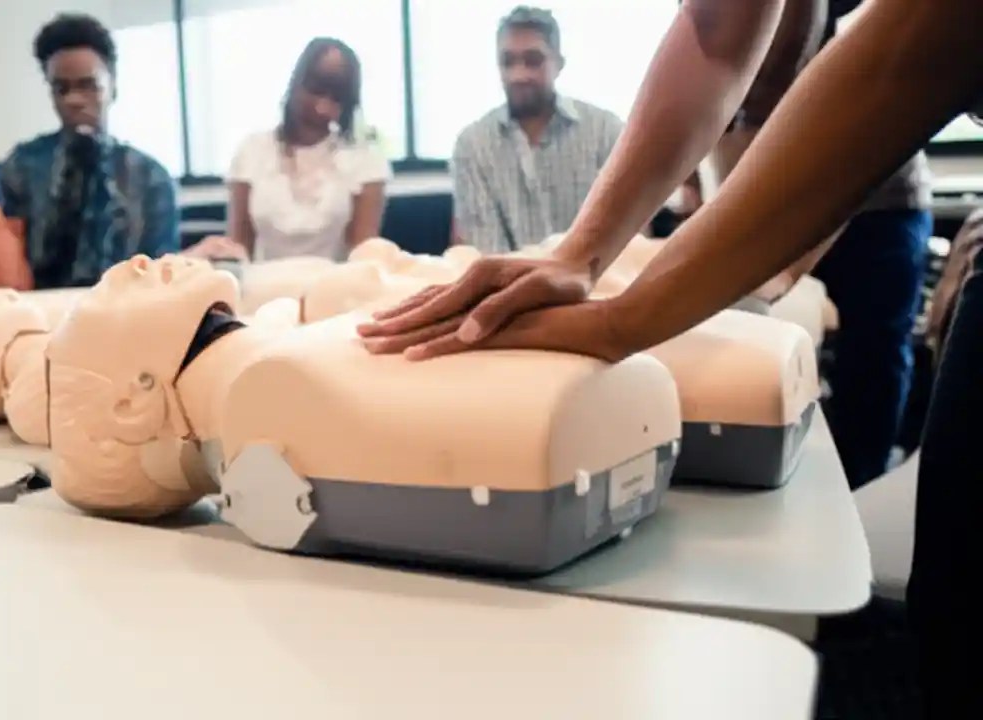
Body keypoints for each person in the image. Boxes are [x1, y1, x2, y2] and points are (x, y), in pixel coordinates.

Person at [359, 0, 981, 714]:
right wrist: (578, 258)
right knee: (955, 593)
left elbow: (918, 47)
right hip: (814, 148)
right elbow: (716, 37)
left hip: (873, 162)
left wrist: (632, 319)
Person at [693, 0, 936, 490]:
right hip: (779, 185)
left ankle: (858, 484)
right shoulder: (712, 43)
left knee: (876, 351)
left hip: (879, 196)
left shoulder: (852, 36)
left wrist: (779, 271)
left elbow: (855, 150)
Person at [0, 14, 239, 290]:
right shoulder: (23, 166)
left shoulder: (150, 176)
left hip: (130, 313)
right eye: (60, 88)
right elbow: (14, 268)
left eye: (88, 85)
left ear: (113, 86)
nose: (73, 100)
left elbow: (160, 271)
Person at [450, 6, 624, 254]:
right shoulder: (473, 144)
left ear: (559, 64)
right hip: (506, 288)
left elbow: (628, 239)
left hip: (598, 284)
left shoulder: (605, 132)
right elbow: (483, 252)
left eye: (533, 60)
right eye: (507, 62)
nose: (518, 74)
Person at [223, 37, 391, 262]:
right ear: (296, 83)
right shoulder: (252, 150)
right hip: (263, 290)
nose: (323, 106)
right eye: (316, 89)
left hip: (336, 289)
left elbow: (364, 259)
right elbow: (237, 251)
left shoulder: (365, 159)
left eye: (337, 97)